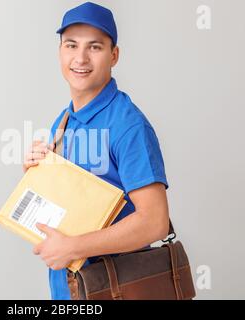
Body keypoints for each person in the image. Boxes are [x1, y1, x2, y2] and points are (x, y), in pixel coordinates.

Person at [22, 2, 170, 300]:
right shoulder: (63, 122)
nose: (80, 58)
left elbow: (155, 221)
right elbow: (70, 205)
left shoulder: (128, 125)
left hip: (117, 290)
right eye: (71, 45)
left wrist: (73, 248)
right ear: (60, 51)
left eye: (95, 47)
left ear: (114, 55)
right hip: (71, 291)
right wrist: (35, 175)